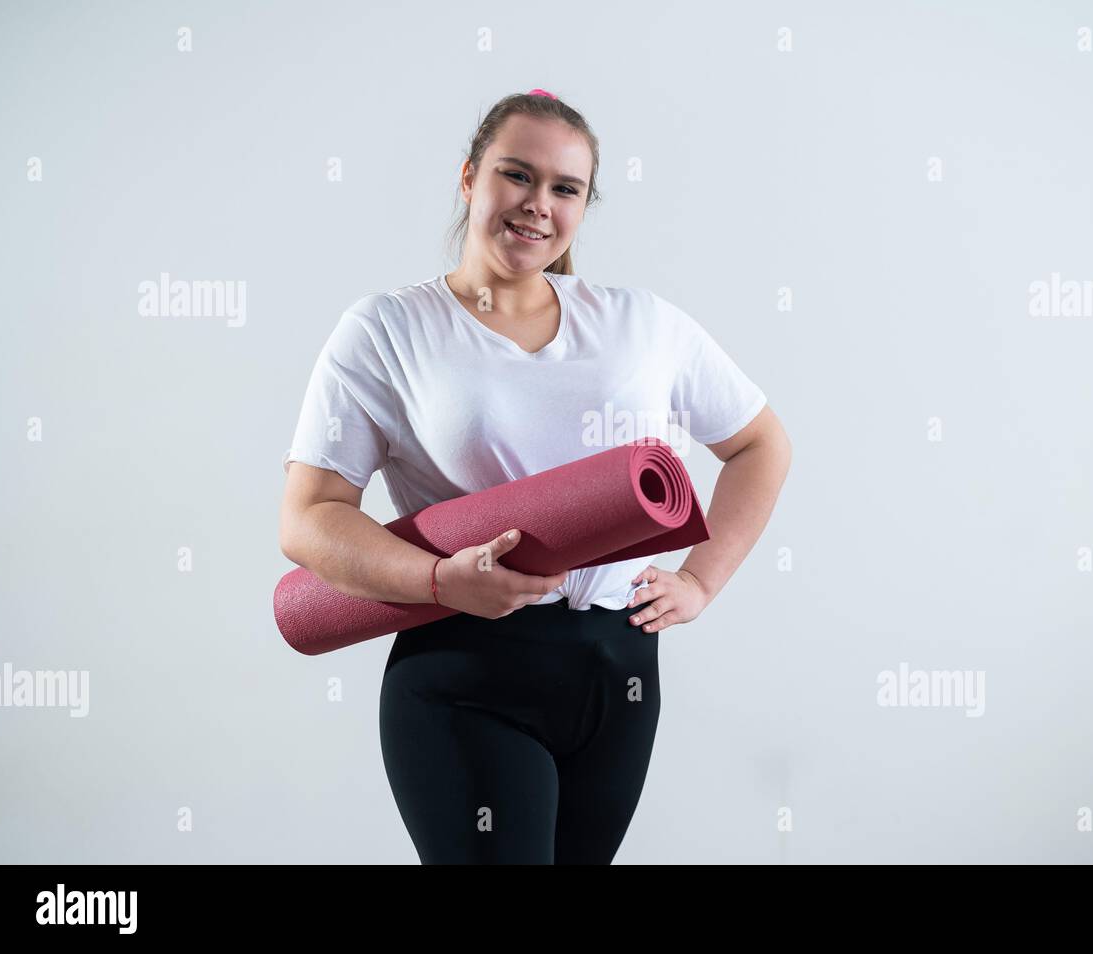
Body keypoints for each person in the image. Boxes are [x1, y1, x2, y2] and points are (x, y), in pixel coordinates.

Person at [278, 89, 792, 864]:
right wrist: (443, 579)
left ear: (586, 204)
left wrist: (701, 581)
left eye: (565, 188)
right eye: (516, 176)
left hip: (619, 673)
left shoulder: (640, 324)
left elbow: (760, 444)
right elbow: (309, 518)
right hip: (465, 669)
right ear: (468, 179)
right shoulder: (387, 330)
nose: (537, 205)